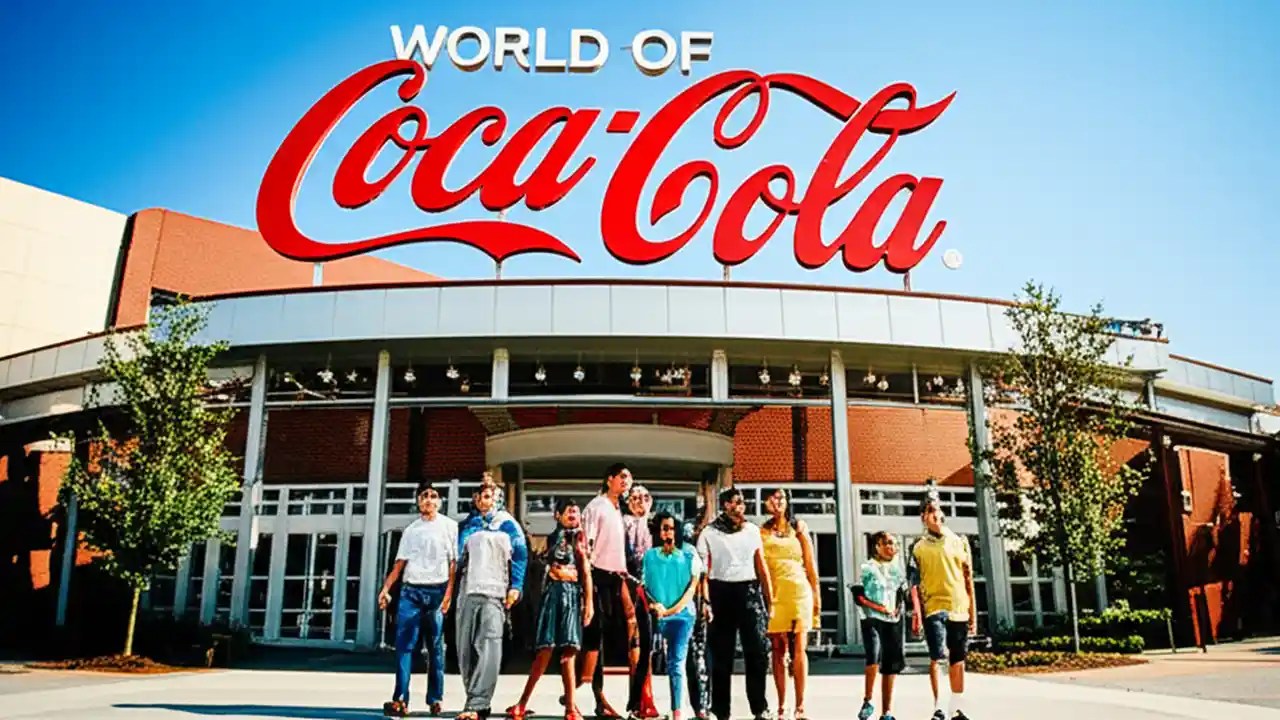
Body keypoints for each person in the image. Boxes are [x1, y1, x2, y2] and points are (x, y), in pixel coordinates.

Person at [507, 499, 594, 720]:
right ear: (558, 515)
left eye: (576, 511)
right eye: (569, 511)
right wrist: (552, 570)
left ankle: (571, 707)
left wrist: (589, 603)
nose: (573, 514)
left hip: (572, 597)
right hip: (553, 597)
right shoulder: (554, 538)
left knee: (569, 652)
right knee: (545, 651)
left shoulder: (580, 538)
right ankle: (523, 702)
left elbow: (585, 571)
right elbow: (542, 564)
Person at [379, 481, 458, 718]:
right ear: (418, 501)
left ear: (440, 501)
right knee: (405, 646)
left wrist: (448, 595)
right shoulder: (411, 530)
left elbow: (454, 565)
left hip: (437, 591)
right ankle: (400, 698)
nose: (429, 500)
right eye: (424, 496)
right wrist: (386, 589)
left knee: (435, 647)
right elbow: (400, 563)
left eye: (434, 496)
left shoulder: (450, 527)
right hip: (411, 592)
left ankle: (435, 698)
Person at [455, 475, 529, 720]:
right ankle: (474, 698)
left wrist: (515, 586)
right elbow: (456, 559)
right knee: (465, 649)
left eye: (491, 496)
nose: (486, 500)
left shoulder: (508, 525)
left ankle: (478, 702)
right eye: (482, 496)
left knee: (489, 645)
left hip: (494, 592)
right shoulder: (467, 526)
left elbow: (520, 556)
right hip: (467, 591)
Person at [697, 488, 774, 720]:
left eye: (739, 503)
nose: (736, 507)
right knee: (721, 655)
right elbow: (703, 573)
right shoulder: (709, 533)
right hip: (721, 591)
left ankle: (759, 708)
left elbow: (760, 565)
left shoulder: (751, 531)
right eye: (730, 503)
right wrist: (706, 602)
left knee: (757, 653)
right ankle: (721, 710)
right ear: (723, 506)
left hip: (749, 591)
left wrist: (770, 601)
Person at [574, 462, 634, 719]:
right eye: (622, 476)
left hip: (616, 579)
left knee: (606, 639)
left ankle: (599, 699)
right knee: (592, 638)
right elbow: (585, 549)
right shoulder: (596, 507)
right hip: (596, 577)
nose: (626, 481)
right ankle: (575, 690)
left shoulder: (618, 509)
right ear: (609, 479)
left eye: (629, 478)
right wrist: (587, 590)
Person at [909, 497, 977, 720]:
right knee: (937, 656)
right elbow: (913, 584)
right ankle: (939, 708)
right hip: (933, 607)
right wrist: (917, 612)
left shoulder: (959, 541)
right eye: (930, 511)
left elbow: (969, 580)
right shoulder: (917, 547)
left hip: (959, 607)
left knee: (957, 660)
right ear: (923, 518)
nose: (935, 514)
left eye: (938, 510)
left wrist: (973, 614)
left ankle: (955, 709)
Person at [759, 488, 821, 720]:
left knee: (798, 649)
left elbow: (810, 563)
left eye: (782, 497)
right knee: (777, 650)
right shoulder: (761, 532)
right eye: (773, 497)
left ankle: (800, 705)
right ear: (765, 502)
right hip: (775, 594)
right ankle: (782, 705)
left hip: (798, 591)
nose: (778, 502)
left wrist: (817, 597)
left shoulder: (799, 528)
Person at [641, 511, 702, 720]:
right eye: (665, 528)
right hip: (656, 616)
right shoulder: (650, 556)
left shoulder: (690, 553)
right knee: (649, 661)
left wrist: (670, 610)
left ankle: (678, 711)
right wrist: (654, 604)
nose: (669, 532)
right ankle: (641, 705)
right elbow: (644, 586)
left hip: (682, 616)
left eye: (672, 527)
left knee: (677, 663)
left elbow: (692, 588)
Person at [855, 531, 908, 720]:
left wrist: (897, 610)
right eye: (886, 543)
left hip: (893, 619)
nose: (891, 547)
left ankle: (886, 712)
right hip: (872, 619)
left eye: (894, 544)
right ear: (877, 546)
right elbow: (859, 596)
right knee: (874, 656)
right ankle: (868, 700)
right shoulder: (868, 568)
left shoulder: (898, 569)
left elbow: (902, 594)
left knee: (891, 664)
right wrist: (880, 608)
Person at [623, 485, 660, 720]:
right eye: (635, 498)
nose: (640, 502)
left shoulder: (656, 525)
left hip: (654, 589)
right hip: (629, 586)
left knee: (649, 643)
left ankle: (646, 697)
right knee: (635, 642)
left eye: (645, 497)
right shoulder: (623, 523)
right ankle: (639, 699)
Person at [680, 513, 712, 720]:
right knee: (693, 659)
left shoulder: (704, 548)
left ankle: (703, 706)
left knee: (701, 659)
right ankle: (698, 706)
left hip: (700, 605)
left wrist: (706, 603)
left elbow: (704, 579)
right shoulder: (686, 551)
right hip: (689, 606)